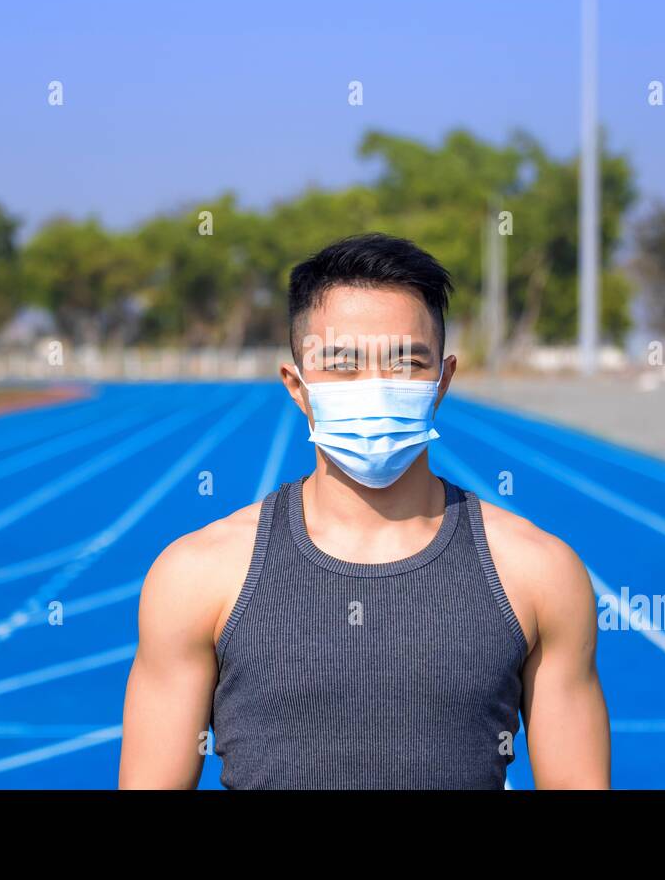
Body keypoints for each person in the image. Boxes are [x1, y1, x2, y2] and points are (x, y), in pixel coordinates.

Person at [118, 232, 609, 789]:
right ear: (297, 385)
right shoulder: (196, 575)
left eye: (406, 362)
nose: (374, 388)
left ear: (442, 381)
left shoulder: (539, 573)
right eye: (341, 364)